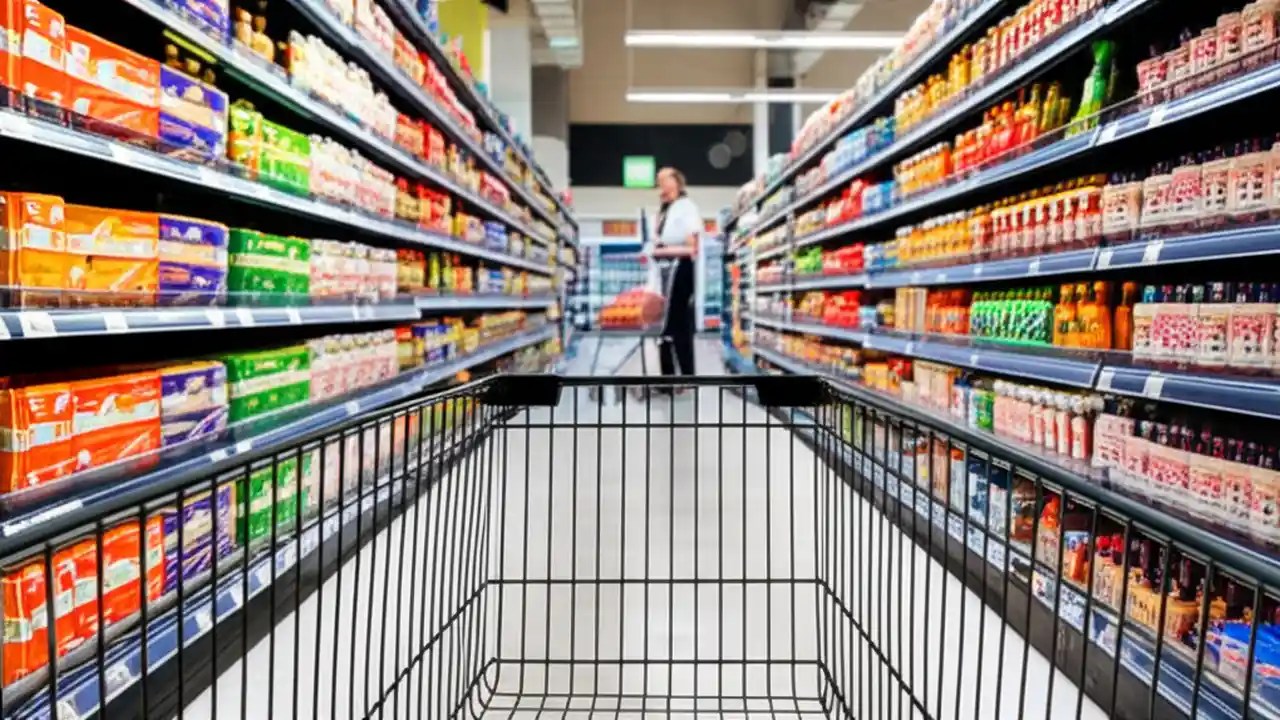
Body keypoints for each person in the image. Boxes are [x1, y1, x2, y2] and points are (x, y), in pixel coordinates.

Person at [651, 167, 701, 377]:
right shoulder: (665, 210)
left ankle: (685, 376)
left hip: (680, 270)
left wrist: (662, 250)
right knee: (665, 326)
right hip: (665, 270)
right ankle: (668, 376)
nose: (660, 184)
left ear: (677, 183)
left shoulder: (686, 207)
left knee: (678, 325)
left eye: (665, 179)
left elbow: (693, 247)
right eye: (658, 181)